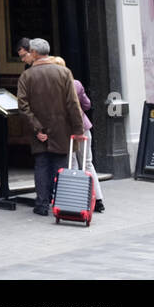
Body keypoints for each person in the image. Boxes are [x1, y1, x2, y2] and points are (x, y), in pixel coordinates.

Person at [16, 38, 85, 216]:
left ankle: (41, 205)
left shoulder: (27, 76)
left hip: (40, 132)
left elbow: (23, 106)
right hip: (62, 129)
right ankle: (61, 204)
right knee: (60, 167)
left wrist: (37, 129)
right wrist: (78, 130)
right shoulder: (64, 72)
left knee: (41, 166)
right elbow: (73, 104)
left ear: (35, 53)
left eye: (30, 52)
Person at [49, 57, 105, 213]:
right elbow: (87, 104)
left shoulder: (52, 88)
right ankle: (98, 200)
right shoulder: (77, 84)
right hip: (82, 127)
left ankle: (74, 201)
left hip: (65, 130)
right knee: (87, 163)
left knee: (71, 164)